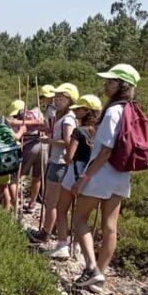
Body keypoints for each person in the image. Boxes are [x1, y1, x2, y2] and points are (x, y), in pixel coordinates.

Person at [71, 64, 141, 289]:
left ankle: (92, 268)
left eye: (110, 81)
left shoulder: (113, 111)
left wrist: (84, 178)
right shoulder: (134, 109)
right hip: (122, 175)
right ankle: (99, 276)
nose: (105, 85)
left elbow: (106, 150)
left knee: (79, 218)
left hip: (102, 174)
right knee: (110, 226)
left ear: (121, 85)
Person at [47, 94, 102, 259]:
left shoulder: (79, 131)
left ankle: (62, 245)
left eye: (78, 109)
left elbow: (69, 157)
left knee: (62, 209)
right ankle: (78, 247)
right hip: (92, 175)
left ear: (86, 111)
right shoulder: (99, 131)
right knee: (82, 216)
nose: (75, 111)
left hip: (74, 173)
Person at [31, 83, 79, 243]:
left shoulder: (68, 119)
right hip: (58, 161)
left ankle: (45, 233)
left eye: (61, 97)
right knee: (54, 202)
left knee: (51, 202)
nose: (57, 100)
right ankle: (54, 231)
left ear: (70, 99)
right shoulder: (63, 116)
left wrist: (49, 140)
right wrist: (49, 131)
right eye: (56, 96)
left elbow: (67, 141)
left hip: (60, 163)